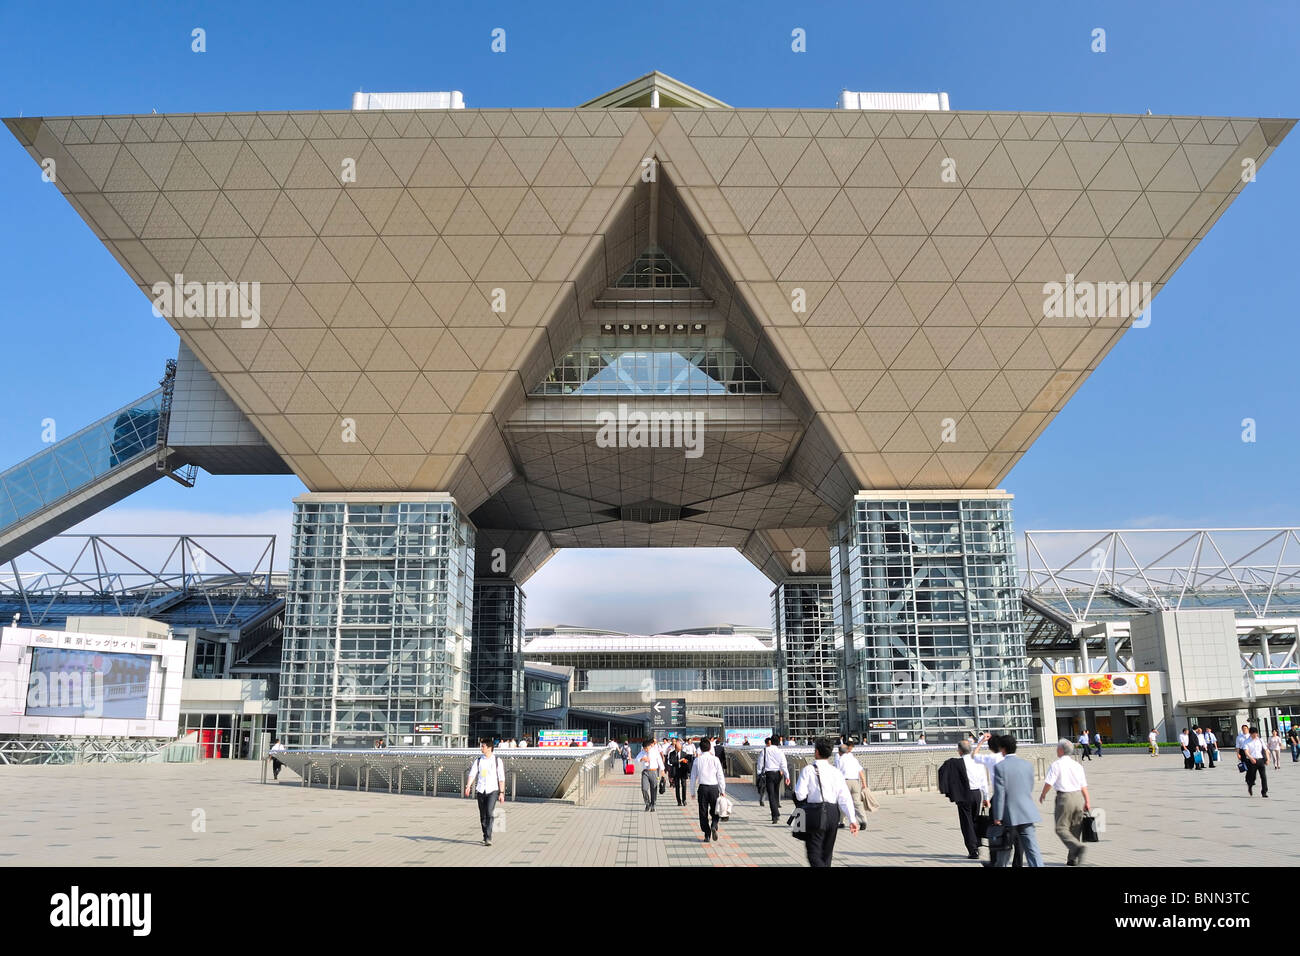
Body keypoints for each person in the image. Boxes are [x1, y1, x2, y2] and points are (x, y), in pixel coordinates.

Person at [793, 738, 859, 867]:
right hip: (833, 813)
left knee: (813, 854)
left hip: (815, 812)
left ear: (817, 752)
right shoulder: (836, 772)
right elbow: (844, 798)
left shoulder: (808, 770)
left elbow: (800, 795)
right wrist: (852, 819)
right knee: (827, 854)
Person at [988, 735, 1043, 867]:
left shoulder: (1000, 767)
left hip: (1009, 814)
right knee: (1032, 849)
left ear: (1002, 749)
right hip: (1026, 812)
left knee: (1004, 847)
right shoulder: (1027, 765)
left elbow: (1000, 794)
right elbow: (1030, 786)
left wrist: (997, 817)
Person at [1039, 739, 1091, 866]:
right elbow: (1083, 785)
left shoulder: (1056, 765)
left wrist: (1043, 794)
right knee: (1075, 828)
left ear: (1061, 750)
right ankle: (1072, 859)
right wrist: (1087, 801)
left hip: (1064, 798)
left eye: (1057, 748)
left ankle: (1077, 847)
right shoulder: (1077, 765)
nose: (1056, 750)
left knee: (1060, 828)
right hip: (1078, 797)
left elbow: (1049, 782)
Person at [939, 739, 990, 860]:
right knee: (975, 820)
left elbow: (944, 771)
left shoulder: (956, 763)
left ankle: (973, 850)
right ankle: (977, 844)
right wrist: (986, 797)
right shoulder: (978, 762)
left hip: (964, 794)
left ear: (960, 751)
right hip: (977, 794)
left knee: (966, 823)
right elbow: (984, 781)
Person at [464, 738, 507, 846]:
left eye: (483, 746)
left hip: (493, 790)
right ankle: (485, 834)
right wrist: (468, 786)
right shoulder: (478, 761)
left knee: (489, 812)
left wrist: (502, 793)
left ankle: (488, 837)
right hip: (481, 790)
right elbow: (472, 774)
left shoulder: (497, 761)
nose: (481, 748)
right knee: (483, 815)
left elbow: (501, 778)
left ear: (489, 748)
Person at [688, 738, 727, 842]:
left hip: (702, 788)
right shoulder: (715, 759)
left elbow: (693, 777)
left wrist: (692, 792)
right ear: (710, 748)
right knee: (715, 809)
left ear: (700, 749)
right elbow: (720, 776)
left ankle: (707, 834)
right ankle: (714, 825)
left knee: (703, 811)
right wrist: (722, 790)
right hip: (714, 788)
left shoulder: (697, 760)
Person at [835, 737, 875, 824]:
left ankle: (842, 821)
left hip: (845, 782)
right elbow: (860, 771)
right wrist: (864, 783)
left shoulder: (839, 758)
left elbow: (837, 772)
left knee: (843, 801)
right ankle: (863, 820)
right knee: (857, 802)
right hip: (855, 782)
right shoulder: (853, 759)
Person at [758, 735, 791, 824]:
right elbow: (784, 765)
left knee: (771, 795)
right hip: (778, 774)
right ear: (778, 742)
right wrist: (787, 777)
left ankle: (775, 815)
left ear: (771, 741)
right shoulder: (780, 752)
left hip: (769, 774)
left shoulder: (765, 750)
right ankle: (776, 812)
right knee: (776, 792)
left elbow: (760, 764)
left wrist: (759, 774)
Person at [636, 737, 665, 812]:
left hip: (654, 771)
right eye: (644, 748)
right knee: (644, 788)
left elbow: (660, 761)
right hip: (645, 772)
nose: (646, 750)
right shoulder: (642, 752)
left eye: (647, 748)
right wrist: (642, 759)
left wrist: (662, 770)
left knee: (653, 788)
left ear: (650, 746)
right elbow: (636, 760)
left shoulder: (655, 751)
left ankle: (653, 804)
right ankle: (647, 803)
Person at [1243, 727, 1269, 797]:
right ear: (1250, 734)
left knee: (1263, 776)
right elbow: (1246, 751)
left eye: (1256, 734)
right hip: (1252, 761)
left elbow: (1265, 750)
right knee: (1252, 777)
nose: (1255, 735)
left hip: (1260, 760)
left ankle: (1264, 792)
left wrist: (1268, 759)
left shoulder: (1260, 740)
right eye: (1253, 734)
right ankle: (1250, 785)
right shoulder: (1246, 741)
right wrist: (1251, 758)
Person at [666, 738, 692, 806]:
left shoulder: (684, 753)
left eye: (680, 748)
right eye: (678, 748)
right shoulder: (672, 753)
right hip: (676, 771)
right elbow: (671, 761)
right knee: (677, 787)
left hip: (683, 771)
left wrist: (686, 761)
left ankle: (684, 800)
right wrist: (679, 761)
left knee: (684, 786)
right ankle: (679, 801)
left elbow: (688, 762)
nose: (679, 749)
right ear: (675, 748)